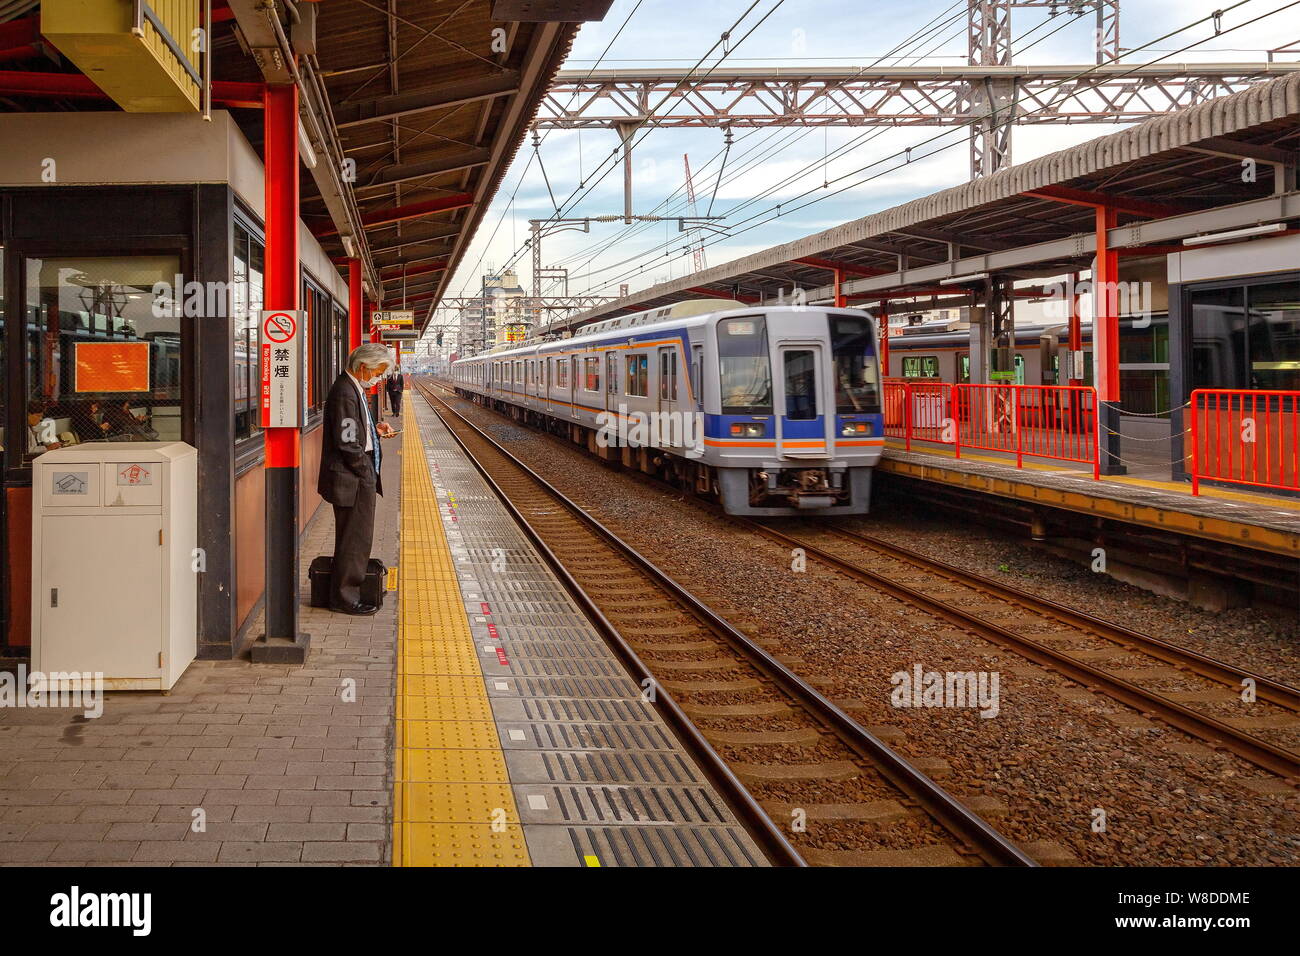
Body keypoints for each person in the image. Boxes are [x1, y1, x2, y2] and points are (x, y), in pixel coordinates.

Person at [318, 343, 397, 615]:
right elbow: (347, 441)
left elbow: (354, 427)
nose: (379, 377)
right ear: (364, 366)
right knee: (354, 539)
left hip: (356, 477)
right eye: (378, 371)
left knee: (357, 537)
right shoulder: (345, 392)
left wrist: (374, 429)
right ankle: (345, 597)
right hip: (352, 479)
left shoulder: (353, 389)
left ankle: (352, 587)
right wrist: (365, 471)